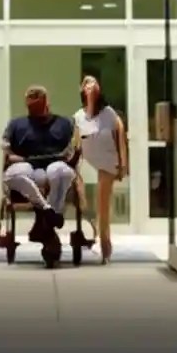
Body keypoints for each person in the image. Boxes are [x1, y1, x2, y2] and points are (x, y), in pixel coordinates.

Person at [1, 85, 78, 246]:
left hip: (55, 166)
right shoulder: (16, 124)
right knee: (15, 174)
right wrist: (18, 158)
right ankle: (48, 211)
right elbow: (7, 152)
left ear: (46, 103)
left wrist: (71, 156)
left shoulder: (65, 123)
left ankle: (48, 219)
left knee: (59, 171)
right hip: (26, 165)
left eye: (37, 100)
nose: (33, 104)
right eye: (31, 101)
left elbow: (73, 151)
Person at [74, 75, 127, 264]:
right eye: (87, 83)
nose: (91, 85)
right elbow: (75, 144)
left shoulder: (109, 114)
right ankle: (93, 230)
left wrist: (123, 164)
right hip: (87, 161)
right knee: (81, 197)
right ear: (82, 90)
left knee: (103, 202)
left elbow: (120, 137)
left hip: (107, 161)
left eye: (94, 82)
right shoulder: (79, 116)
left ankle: (104, 242)